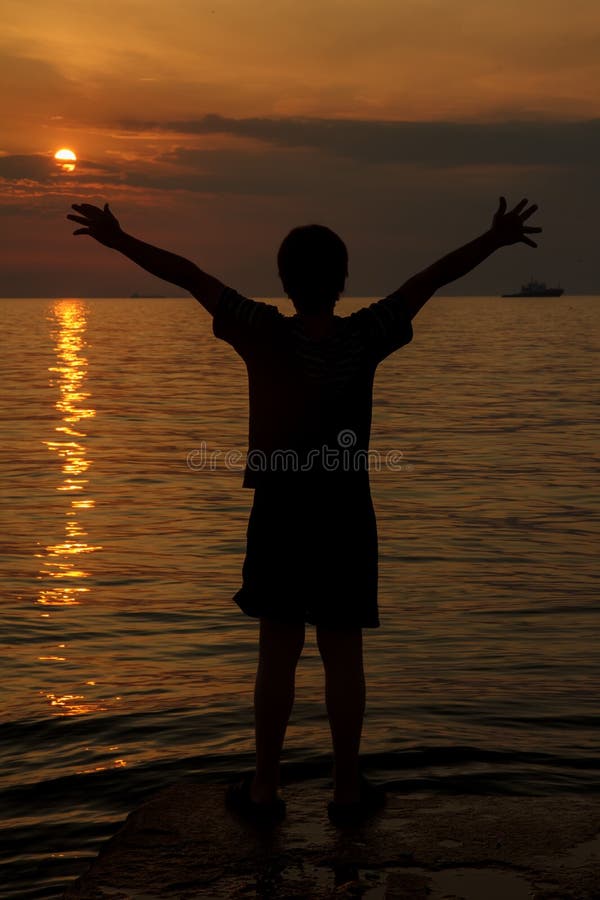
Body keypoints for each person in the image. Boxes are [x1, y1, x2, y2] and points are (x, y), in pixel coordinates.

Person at [67, 196, 541, 825]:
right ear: (341, 282)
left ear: (285, 282)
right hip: (346, 514)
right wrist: (493, 239)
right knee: (344, 655)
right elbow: (428, 279)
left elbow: (189, 276)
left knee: (278, 652)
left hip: (281, 513)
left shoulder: (262, 331)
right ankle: (347, 793)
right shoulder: (365, 334)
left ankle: (265, 792)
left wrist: (118, 239)